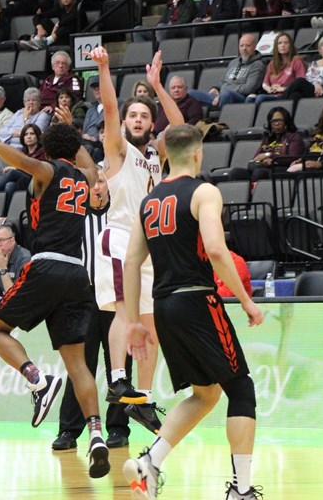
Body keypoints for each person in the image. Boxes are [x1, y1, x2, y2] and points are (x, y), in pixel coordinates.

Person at [0, 114, 111, 479]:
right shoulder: (85, 177)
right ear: (75, 149)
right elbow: (93, 170)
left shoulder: (48, 171)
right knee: (79, 365)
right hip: (78, 274)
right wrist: (76, 137)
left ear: (48, 149)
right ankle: (95, 434)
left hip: (45, 266)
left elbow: (17, 160)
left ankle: (38, 381)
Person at [122, 123, 264, 500]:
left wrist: (134, 321)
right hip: (198, 299)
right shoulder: (205, 191)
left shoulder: (149, 200)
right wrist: (246, 300)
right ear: (198, 153)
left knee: (205, 393)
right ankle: (242, 490)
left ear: (165, 154)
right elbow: (216, 250)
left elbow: (131, 262)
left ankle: (150, 462)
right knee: (241, 389)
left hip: (163, 305)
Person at [91, 46, 183, 435]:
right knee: (124, 311)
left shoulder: (153, 156)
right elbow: (110, 109)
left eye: (145, 115)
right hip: (120, 237)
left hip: (148, 249)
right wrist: (105, 67)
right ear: (126, 123)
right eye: (134, 115)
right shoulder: (118, 149)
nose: (139, 119)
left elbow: (180, 131)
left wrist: (158, 87)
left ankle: (142, 397)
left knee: (152, 324)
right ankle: (117, 378)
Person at [54, 167, 133, 451]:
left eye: (101, 182)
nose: (97, 187)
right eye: (92, 183)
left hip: (117, 297)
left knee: (119, 367)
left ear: (109, 185)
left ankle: (118, 428)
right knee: (79, 365)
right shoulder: (74, 219)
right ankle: (69, 430)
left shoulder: (121, 216)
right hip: (83, 295)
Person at [188, 33, 265, 108]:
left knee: (226, 94)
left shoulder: (258, 65)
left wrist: (224, 92)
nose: (244, 48)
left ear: (255, 46)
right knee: (190, 93)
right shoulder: (233, 62)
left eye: (248, 46)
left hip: (240, 98)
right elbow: (223, 81)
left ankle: (224, 118)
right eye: (241, 46)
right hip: (222, 95)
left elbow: (249, 88)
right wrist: (216, 88)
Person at [231, 107, 304, 182]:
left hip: (283, 169)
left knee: (259, 173)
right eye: (273, 121)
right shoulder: (267, 139)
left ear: (286, 121)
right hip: (264, 167)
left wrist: (270, 156)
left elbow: (293, 158)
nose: (276, 123)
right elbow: (256, 158)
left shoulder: (294, 137)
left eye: (280, 120)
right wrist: (263, 161)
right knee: (236, 173)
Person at [285, 33, 323, 104]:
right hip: (312, 89)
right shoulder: (314, 63)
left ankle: (279, 101)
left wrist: (317, 83)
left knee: (299, 81)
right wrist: (316, 84)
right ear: (320, 47)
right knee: (295, 95)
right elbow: (308, 78)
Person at [250, 32, 305, 105]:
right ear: (276, 46)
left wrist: (283, 89)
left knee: (260, 98)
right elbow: (265, 83)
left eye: (286, 43)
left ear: (290, 45)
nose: (283, 45)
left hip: (287, 95)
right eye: (280, 43)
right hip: (272, 94)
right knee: (250, 99)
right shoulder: (272, 63)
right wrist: (269, 89)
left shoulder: (296, 61)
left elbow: (301, 82)